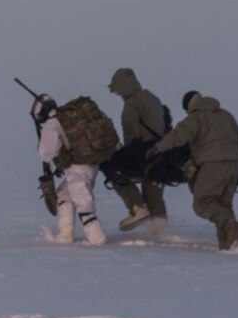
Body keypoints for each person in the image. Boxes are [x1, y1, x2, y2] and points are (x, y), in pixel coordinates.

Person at [151, 90, 238, 250]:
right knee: (223, 205)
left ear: (189, 106)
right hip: (234, 164)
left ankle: (232, 227)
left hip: (213, 164)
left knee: (202, 204)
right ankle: (228, 242)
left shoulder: (196, 117)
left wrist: (158, 148)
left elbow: (179, 136)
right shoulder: (226, 115)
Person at [32, 94, 107, 245]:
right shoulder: (72, 115)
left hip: (77, 165)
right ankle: (66, 233)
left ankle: (97, 239)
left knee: (83, 202)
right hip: (93, 162)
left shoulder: (52, 123)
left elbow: (47, 152)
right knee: (64, 194)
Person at [107, 67, 169, 232]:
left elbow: (131, 136)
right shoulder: (153, 98)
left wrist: (122, 154)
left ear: (123, 87)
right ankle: (161, 226)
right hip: (160, 151)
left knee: (112, 169)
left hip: (143, 151)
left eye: (118, 91)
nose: (119, 95)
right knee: (152, 184)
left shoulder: (132, 104)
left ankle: (137, 208)